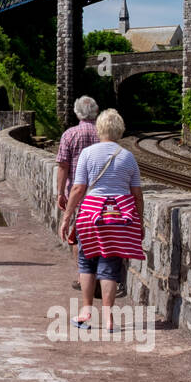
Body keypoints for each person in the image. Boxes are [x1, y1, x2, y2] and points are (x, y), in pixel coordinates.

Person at [59, 109, 144, 332]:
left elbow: (78, 189)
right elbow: (137, 195)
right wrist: (140, 223)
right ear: (120, 130)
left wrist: (67, 219)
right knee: (110, 264)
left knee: (87, 262)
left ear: (99, 129)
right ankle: (108, 320)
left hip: (90, 214)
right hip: (119, 216)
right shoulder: (128, 157)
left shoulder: (88, 154)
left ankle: (87, 313)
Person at [56, 96, 102, 293]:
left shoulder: (70, 134)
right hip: (102, 194)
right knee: (101, 235)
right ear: (96, 112)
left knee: (78, 235)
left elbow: (63, 166)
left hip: (78, 194)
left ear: (76, 113)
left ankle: (83, 277)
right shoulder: (104, 134)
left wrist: (59, 193)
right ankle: (101, 276)